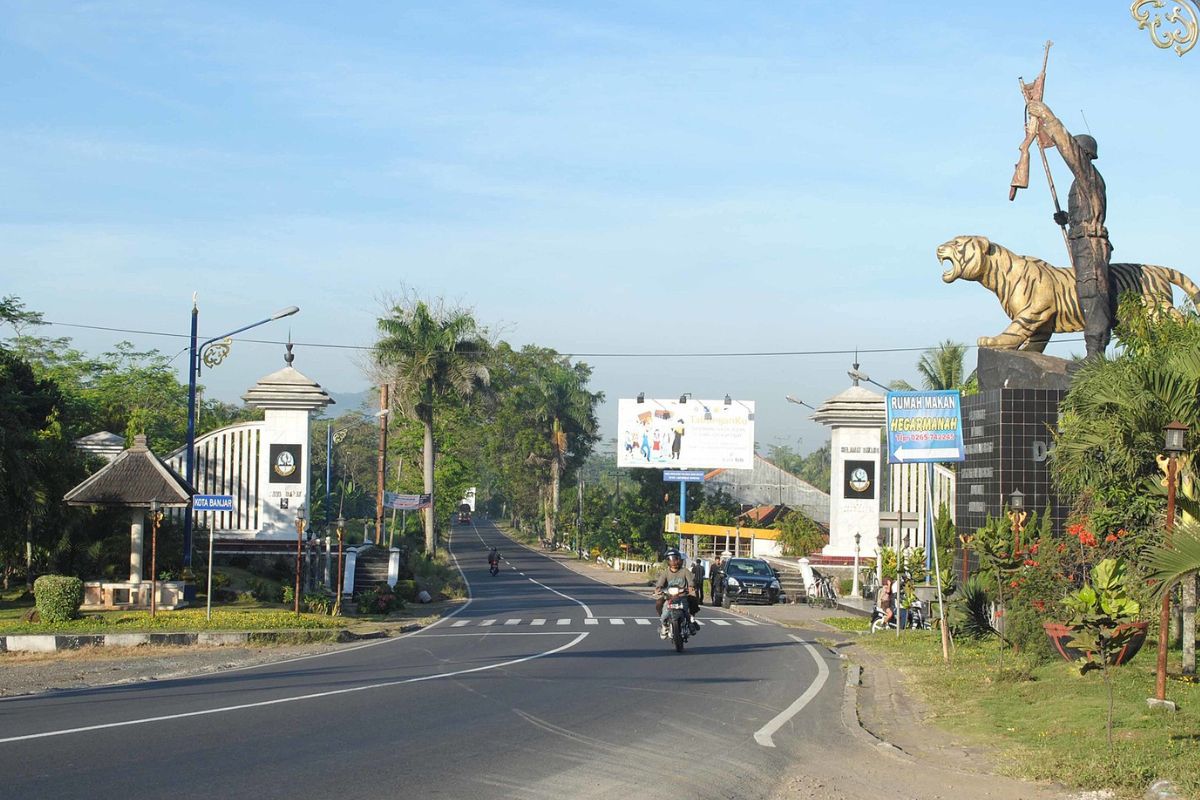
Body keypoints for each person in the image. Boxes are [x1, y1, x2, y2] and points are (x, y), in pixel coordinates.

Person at [1025, 100, 1112, 358]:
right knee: (1084, 293)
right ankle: (1093, 351)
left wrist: (1047, 116)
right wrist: (1068, 218)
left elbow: (1068, 149)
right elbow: (1087, 211)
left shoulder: (1089, 175)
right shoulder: (1082, 183)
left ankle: (1095, 354)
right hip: (1081, 241)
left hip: (1091, 243)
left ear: (1084, 154)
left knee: (1092, 292)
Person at [653, 550, 699, 639]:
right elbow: (660, 583)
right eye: (670, 560)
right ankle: (664, 624)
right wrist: (658, 589)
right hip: (669, 597)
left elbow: (690, 581)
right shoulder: (665, 572)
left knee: (693, 600)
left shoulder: (684, 571)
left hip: (682, 596)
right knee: (659, 603)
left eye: (675, 559)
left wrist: (691, 587)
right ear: (667, 561)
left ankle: (691, 620)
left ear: (679, 560)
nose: (673, 562)